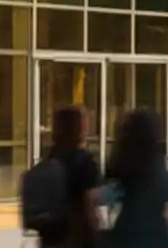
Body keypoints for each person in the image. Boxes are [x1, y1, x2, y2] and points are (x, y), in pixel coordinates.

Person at [101, 108, 168, 248]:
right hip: (156, 236)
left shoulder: (130, 163)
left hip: (129, 235)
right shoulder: (157, 163)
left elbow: (110, 188)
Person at [44, 106, 102, 248]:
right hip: (78, 237)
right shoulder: (85, 163)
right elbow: (90, 206)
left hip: (51, 238)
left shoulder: (50, 159)